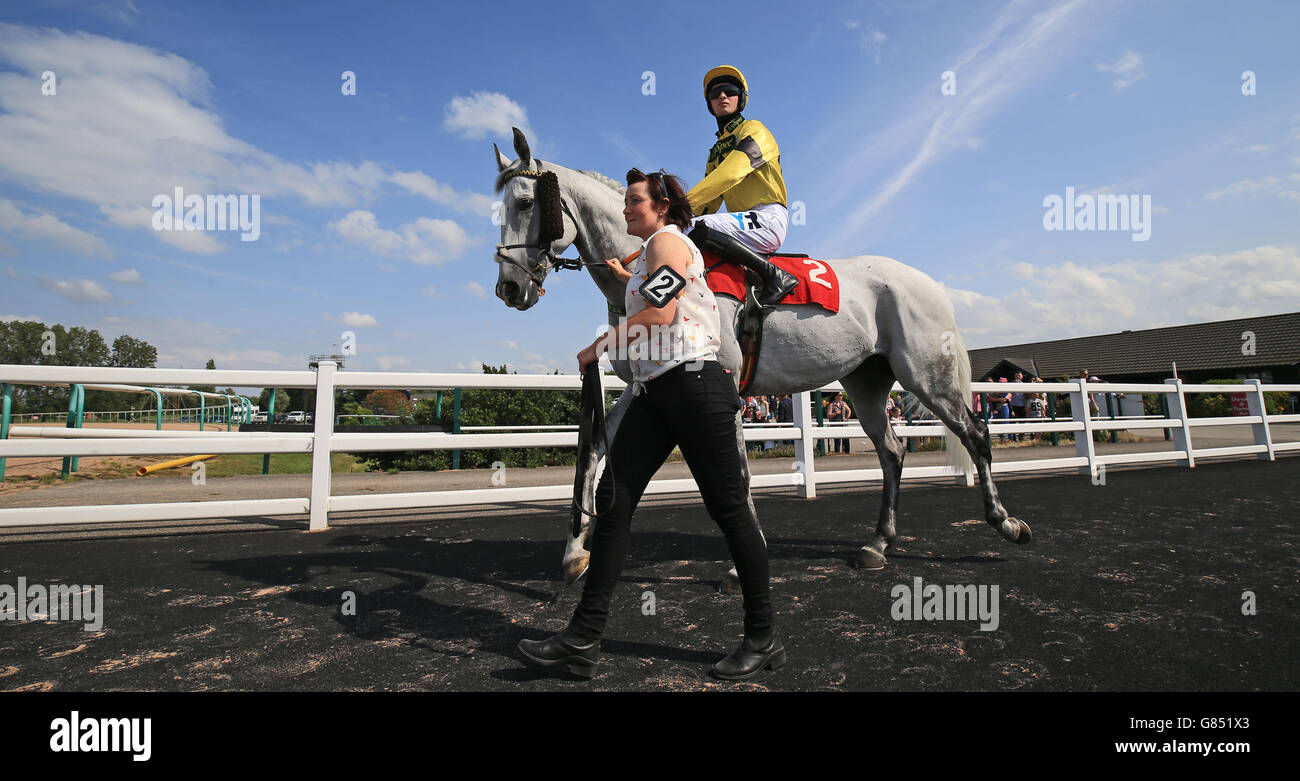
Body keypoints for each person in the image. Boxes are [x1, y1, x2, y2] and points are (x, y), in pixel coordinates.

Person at [518, 168, 782, 681]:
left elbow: (661, 314)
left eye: (635, 200)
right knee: (613, 505)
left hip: (695, 388)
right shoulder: (651, 257)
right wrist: (624, 280)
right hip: (655, 391)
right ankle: (582, 638)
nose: (626, 208)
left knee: (729, 510)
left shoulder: (670, 242)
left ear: (662, 207)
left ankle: (763, 637)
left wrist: (600, 345)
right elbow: (658, 296)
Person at [685, 65, 798, 307]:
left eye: (729, 91)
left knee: (693, 228)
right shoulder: (714, 153)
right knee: (683, 228)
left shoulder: (755, 130)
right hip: (744, 219)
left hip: (768, 218)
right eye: (715, 94)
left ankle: (775, 275)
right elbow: (707, 206)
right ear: (709, 103)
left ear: (742, 98)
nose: (722, 97)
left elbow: (731, 173)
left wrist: (678, 207)